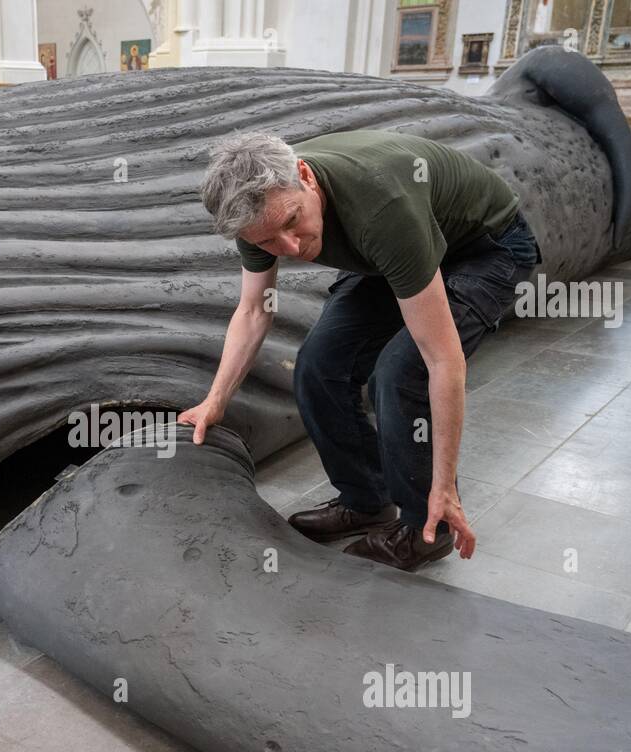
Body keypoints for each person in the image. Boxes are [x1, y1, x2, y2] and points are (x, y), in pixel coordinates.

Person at [182, 129, 541, 572]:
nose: (290, 248)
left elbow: (441, 360)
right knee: (318, 365)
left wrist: (443, 484)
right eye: (269, 242)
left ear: (305, 177)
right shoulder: (255, 213)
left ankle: (428, 528)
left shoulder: (381, 207)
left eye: (293, 221)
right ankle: (366, 500)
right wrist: (214, 402)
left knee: (400, 372)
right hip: (394, 252)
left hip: (484, 249)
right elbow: (254, 310)